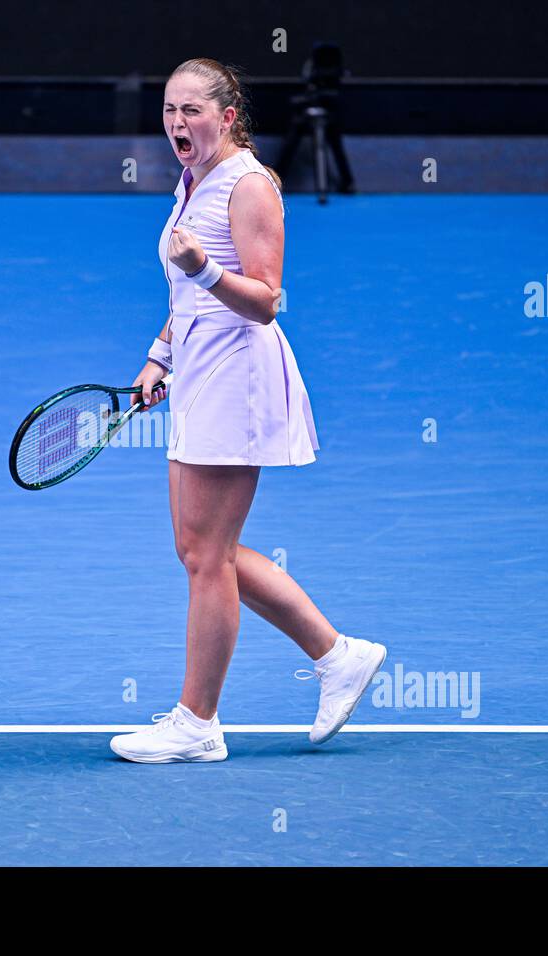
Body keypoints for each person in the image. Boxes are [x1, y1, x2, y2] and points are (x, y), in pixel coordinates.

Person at [110, 58, 386, 764]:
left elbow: (264, 298)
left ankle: (197, 724)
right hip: (201, 368)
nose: (177, 122)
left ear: (229, 117)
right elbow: (187, 297)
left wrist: (204, 267)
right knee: (207, 551)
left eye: (193, 110)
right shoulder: (192, 178)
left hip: (239, 374)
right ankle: (338, 656)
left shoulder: (249, 184)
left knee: (206, 556)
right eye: (169, 109)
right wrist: (159, 356)